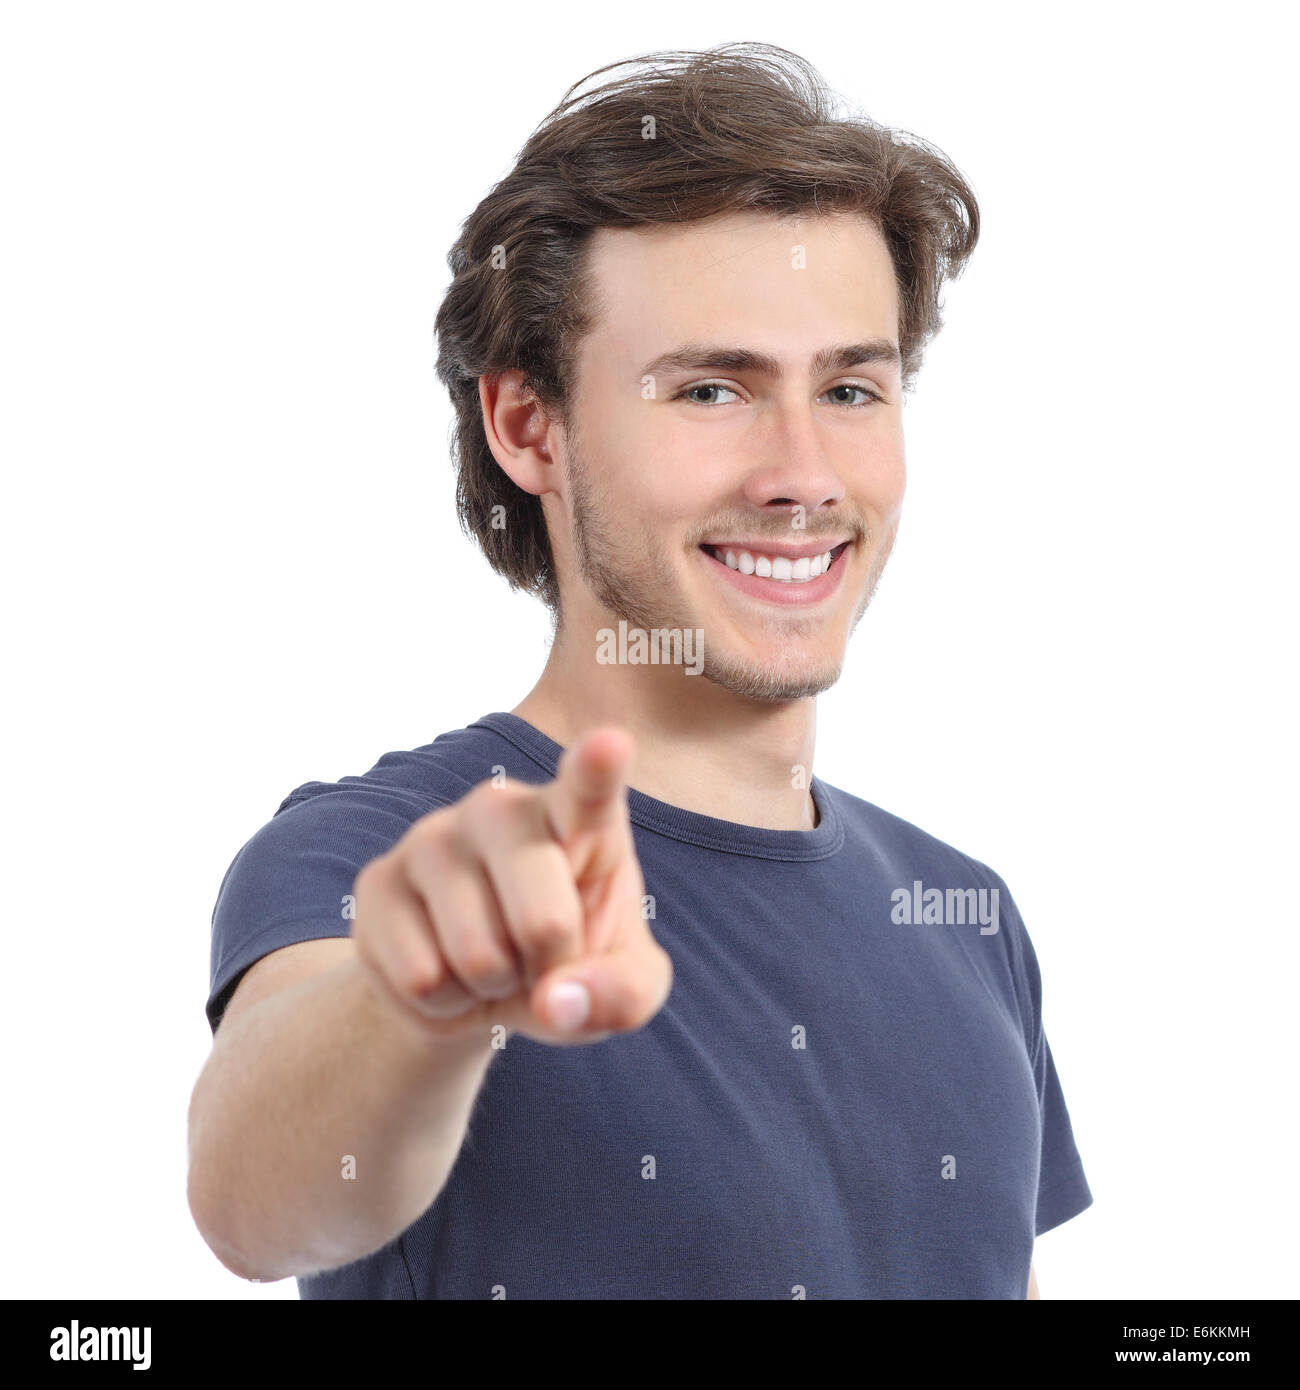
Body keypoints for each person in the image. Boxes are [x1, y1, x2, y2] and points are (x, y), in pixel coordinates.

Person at [188, 42, 1092, 1300]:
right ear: (526, 426)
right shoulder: (388, 857)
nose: (802, 472)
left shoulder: (968, 916)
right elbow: (255, 1202)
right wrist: (426, 1002)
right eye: (713, 388)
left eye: (850, 386)